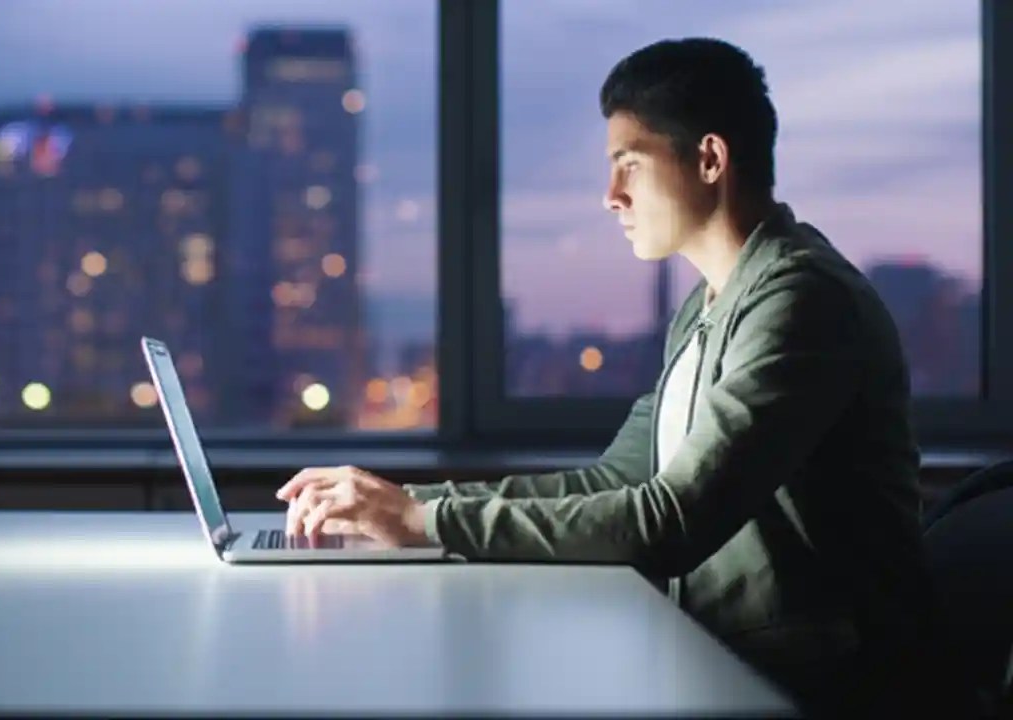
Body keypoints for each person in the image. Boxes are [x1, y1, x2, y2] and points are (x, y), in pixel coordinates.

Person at [275, 38, 972, 717]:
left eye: (628, 164)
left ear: (709, 159)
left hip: (825, 687)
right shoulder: (710, 306)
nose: (610, 195)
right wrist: (407, 503)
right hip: (728, 662)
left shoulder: (803, 302)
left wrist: (425, 521)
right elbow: (613, 484)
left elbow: (668, 522)